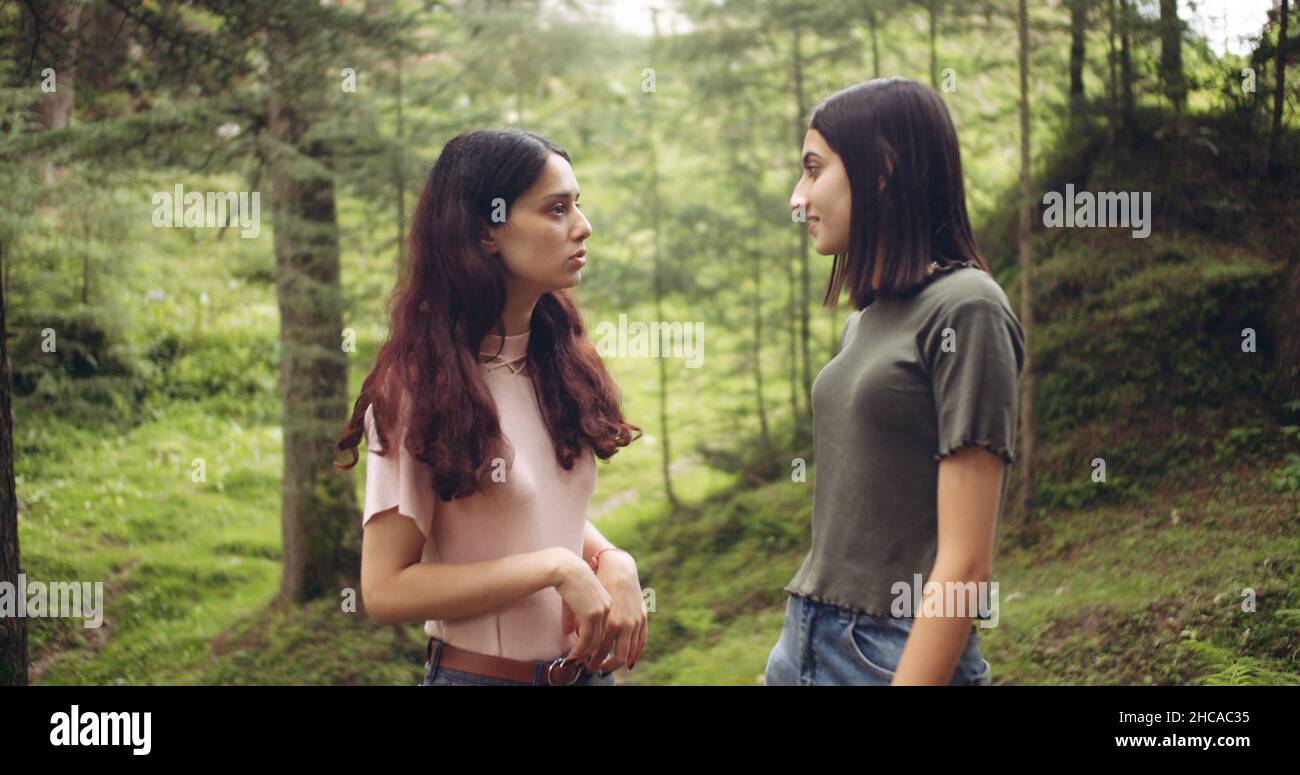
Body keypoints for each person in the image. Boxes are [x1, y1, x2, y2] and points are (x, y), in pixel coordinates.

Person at [335, 127, 647, 686]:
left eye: (578, 204)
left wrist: (611, 559)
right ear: (486, 232)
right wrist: (554, 568)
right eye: (556, 209)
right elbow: (384, 590)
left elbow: (528, 512)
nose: (583, 226)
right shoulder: (419, 385)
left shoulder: (556, 359)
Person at [766, 78, 1026, 686]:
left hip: (890, 652)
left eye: (813, 170)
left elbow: (965, 563)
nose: (797, 198)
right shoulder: (865, 321)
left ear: (881, 170)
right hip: (803, 636)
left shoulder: (968, 308)